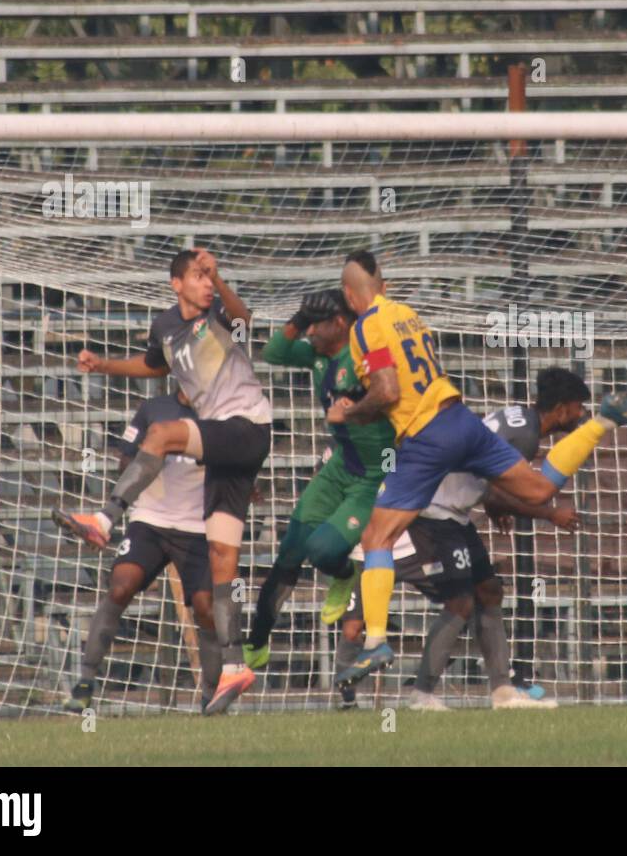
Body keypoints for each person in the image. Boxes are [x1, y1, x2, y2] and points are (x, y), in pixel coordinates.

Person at [330, 249, 627, 689]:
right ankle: (604, 419)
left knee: (376, 537)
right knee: (540, 489)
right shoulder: (405, 312)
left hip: (426, 436)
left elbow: (387, 391)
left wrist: (348, 414)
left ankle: (377, 641)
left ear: (351, 296)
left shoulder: (365, 325)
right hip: (461, 418)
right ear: (384, 287)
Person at [52, 247, 272, 715]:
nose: (206, 282)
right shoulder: (166, 326)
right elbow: (155, 364)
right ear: (176, 284)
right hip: (218, 456)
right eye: (198, 275)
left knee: (164, 433)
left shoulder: (219, 314)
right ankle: (234, 666)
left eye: (208, 275)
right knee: (223, 562)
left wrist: (222, 279)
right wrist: (106, 365)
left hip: (246, 424)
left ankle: (106, 520)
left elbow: (244, 320)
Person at [341, 368, 596, 710]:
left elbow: (484, 474)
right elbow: (508, 487)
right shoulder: (527, 436)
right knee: (459, 602)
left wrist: (491, 502)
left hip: (454, 513)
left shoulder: (517, 417)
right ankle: (422, 694)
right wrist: (550, 514)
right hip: (435, 512)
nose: (580, 414)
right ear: (563, 408)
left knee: (489, 591)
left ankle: (503, 692)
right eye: (579, 407)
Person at [242, 289, 395, 671]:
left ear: (340, 323)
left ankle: (344, 574)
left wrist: (356, 410)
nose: (309, 331)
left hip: (374, 473)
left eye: (316, 323)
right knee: (290, 550)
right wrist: (298, 317)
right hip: (340, 466)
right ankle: (256, 643)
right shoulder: (317, 354)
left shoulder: (362, 354)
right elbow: (274, 352)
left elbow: (391, 394)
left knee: (323, 552)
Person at [63, 389, 221, 713]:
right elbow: (126, 459)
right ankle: (85, 682)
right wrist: (147, 459)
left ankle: (211, 696)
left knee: (206, 608)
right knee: (120, 586)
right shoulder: (154, 407)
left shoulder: (222, 412)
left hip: (197, 527)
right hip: (149, 519)